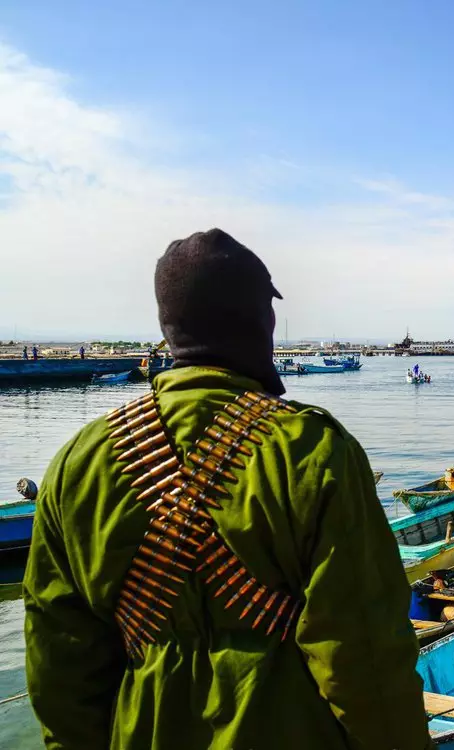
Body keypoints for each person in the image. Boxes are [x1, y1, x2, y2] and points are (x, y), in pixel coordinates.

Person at [23, 229, 432, 750]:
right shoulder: (311, 450)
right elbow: (364, 659)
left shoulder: (79, 461)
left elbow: (58, 666)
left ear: (169, 326)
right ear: (260, 321)